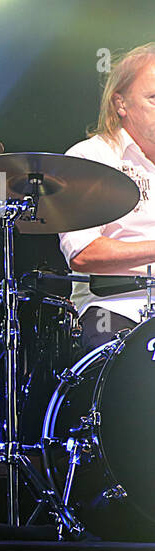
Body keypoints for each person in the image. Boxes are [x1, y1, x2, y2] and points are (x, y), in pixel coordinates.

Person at [59, 42, 155, 350]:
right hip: (117, 308)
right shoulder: (92, 158)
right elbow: (84, 252)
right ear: (120, 103)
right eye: (154, 98)